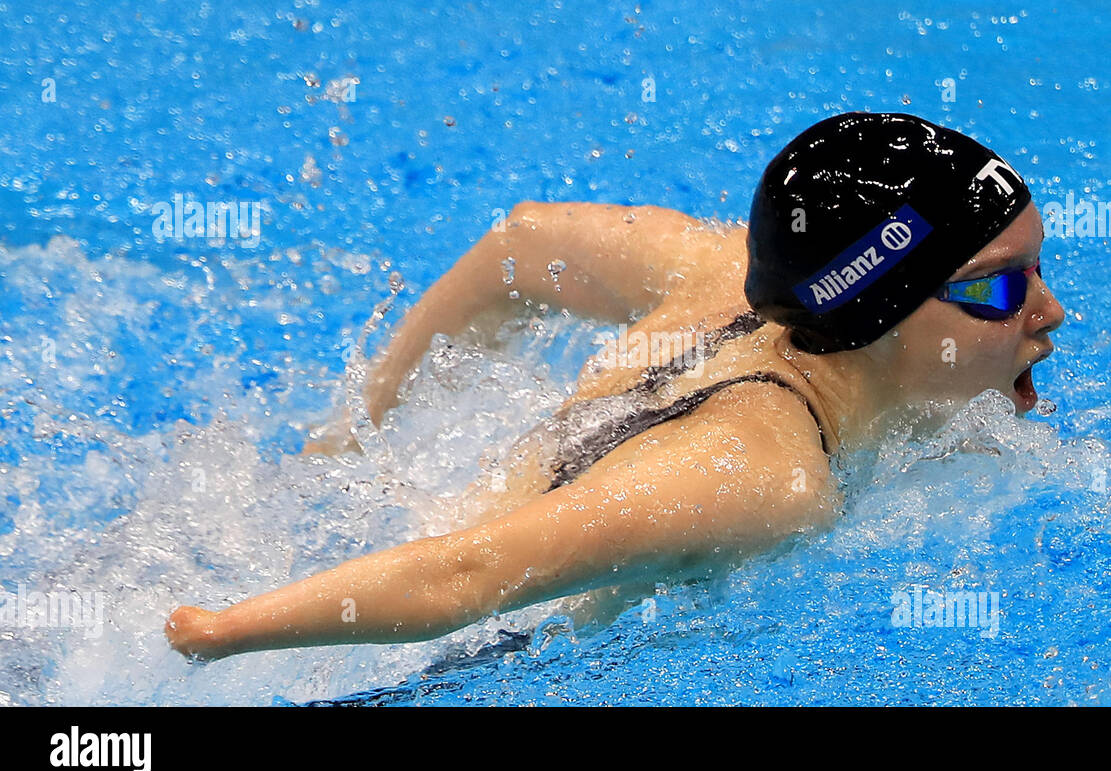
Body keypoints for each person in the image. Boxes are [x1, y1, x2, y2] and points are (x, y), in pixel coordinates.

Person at [165, 111, 1064, 660]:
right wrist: (223, 634)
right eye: (997, 285)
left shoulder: (725, 273)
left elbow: (522, 242)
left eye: (1037, 268)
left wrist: (355, 426)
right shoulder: (767, 479)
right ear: (878, 314)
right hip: (433, 654)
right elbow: (464, 575)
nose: (1049, 310)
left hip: (366, 539)